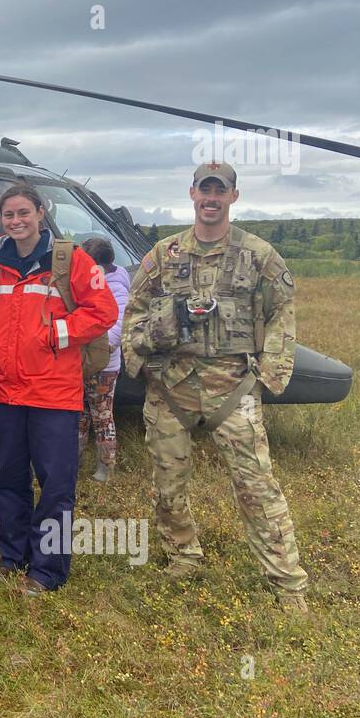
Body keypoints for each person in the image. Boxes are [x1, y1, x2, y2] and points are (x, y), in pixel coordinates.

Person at [122, 162, 308, 612]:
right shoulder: (163, 255)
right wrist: (141, 357)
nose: (211, 198)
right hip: (172, 386)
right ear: (191, 194)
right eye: (204, 190)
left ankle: (287, 583)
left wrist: (270, 372)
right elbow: (134, 313)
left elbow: (283, 312)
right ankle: (183, 556)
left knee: (256, 485)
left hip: (233, 385)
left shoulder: (258, 255)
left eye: (219, 191)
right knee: (168, 481)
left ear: (232, 198)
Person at [0, 182, 117, 594]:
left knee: (55, 484)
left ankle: (47, 571)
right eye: (9, 215)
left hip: (54, 394)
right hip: (6, 390)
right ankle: (12, 557)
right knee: (9, 478)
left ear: (40, 213)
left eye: (24, 213)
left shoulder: (70, 259)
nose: (16, 221)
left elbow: (104, 310)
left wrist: (59, 332)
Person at [78, 236, 131, 483]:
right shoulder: (95, 283)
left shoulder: (117, 288)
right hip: (84, 362)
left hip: (104, 365)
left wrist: (100, 349)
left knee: (102, 416)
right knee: (79, 414)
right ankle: (73, 461)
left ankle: (105, 468)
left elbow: (119, 326)